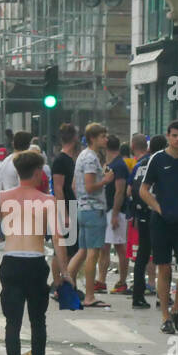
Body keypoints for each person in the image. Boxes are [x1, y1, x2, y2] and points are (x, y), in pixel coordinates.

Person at [0, 150, 71, 355]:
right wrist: (63, 271)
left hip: (10, 262)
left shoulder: (2, 197)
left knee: (12, 322)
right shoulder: (47, 201)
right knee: (37, 320)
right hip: (35, 263)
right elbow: (57, 238)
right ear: (37, 172)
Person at [141, 120, 178, 334]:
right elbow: (143, 190)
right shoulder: (157, 159)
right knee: (163, 267)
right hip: (161, 223)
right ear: (167, 136)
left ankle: (176, 308)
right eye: (174, 135)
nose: (177, 139)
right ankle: (165, 315)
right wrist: (158, 208)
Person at [68, 122, 113, 308]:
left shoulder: (82, 156)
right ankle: (89, 296)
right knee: (92, 253)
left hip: (83, 208)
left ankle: (64, 287)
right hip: (93, 209)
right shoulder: (91, 158)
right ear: (93, 138)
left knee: (83, 250)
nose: (106, 139)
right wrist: (106, 180)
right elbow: (89, 185)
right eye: (103, 136)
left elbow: (74, 185)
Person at [129, 132, 160, 310]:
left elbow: (130, 189)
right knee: (162, 257)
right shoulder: (161, 164)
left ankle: (137, 296)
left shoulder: (139, 165)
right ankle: (162, 297)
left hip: (140, 214)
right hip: (157, 214)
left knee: (142, 255)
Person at [101, 133, 131, 294]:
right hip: (107, 209)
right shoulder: (108, 163)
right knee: (104, 247)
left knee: (119, 246)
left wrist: (114, 214)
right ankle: (101, 279)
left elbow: (120, 191)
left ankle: (122, 281)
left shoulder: (119, 165)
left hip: (116, 211)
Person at [51, 123, 80, 265]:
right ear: (74, 137)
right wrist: (65, 214)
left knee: (72, 249)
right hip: (67, 207)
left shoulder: (70, 160)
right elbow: (58, 188)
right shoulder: (60, 161)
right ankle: (58, 283)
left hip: (73, 205)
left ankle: (66, 281)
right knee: (63, 249)